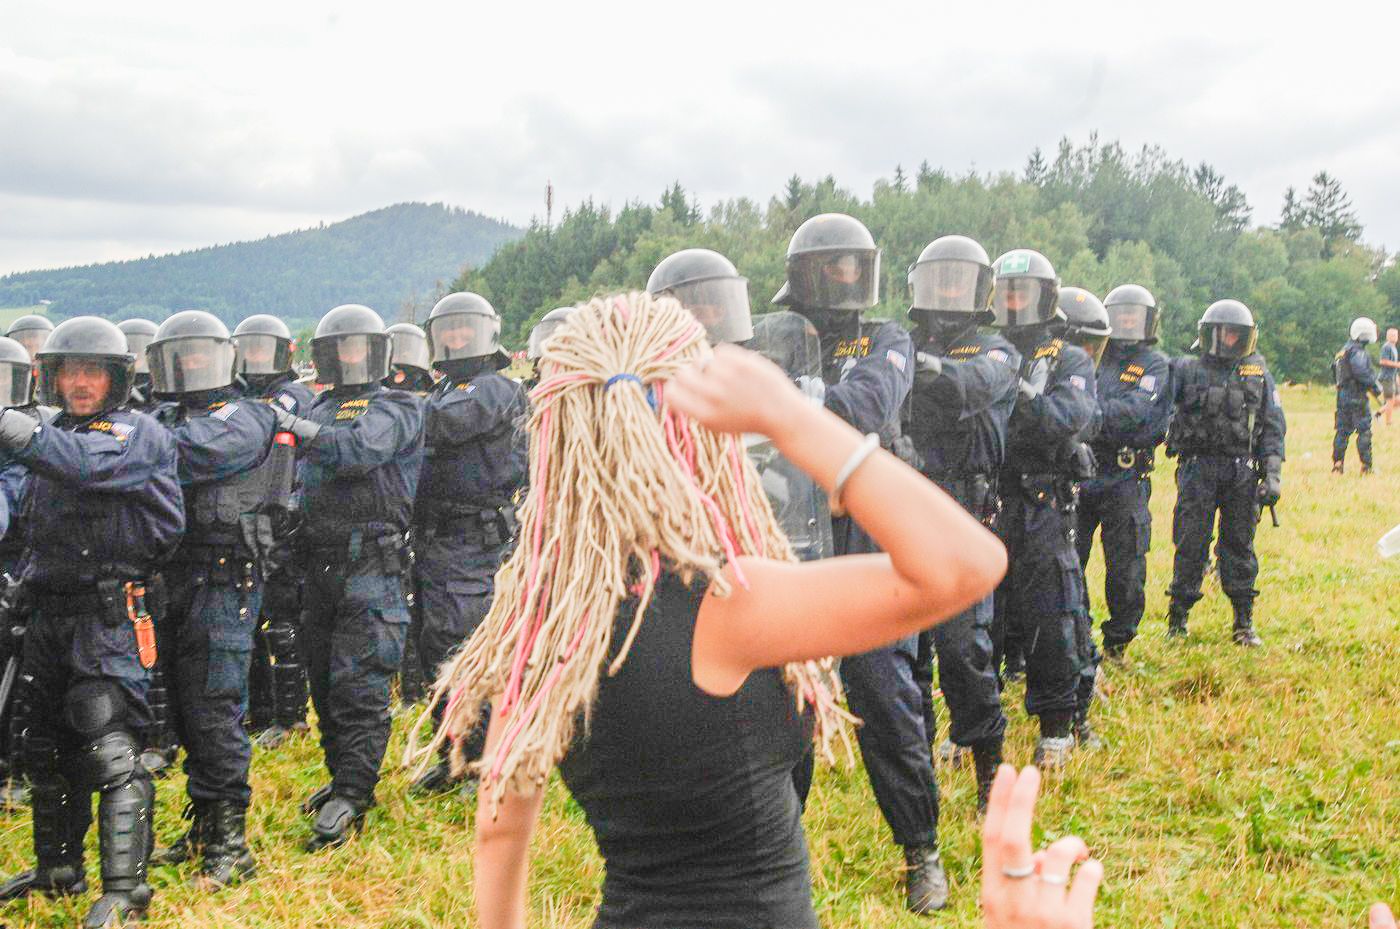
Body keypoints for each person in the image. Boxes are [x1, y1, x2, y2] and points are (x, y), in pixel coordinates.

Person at [414, 291, 1005, 929]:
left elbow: (498, 828)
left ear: (564, 439)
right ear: (700, 430)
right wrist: (791, 417)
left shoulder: (548, 622)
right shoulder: (734, 605)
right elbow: (965, 565)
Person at [771, 213, 947, 912]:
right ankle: (777, 852)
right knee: (786, 695)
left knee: (882, 689)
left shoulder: (886, 337)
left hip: (868, 529)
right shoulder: (777, 338)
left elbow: (868, 402)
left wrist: (798, 408)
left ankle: (921, 851)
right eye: (830, 265)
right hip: (797, 532)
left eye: (854, 265)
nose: (844, 278)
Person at [0, 316, 184, 927]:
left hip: (110, 614)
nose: (80, 383)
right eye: (69, 371)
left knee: (109, 746)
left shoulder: (136, 432)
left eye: (93, 371)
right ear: (51, 377)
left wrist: (9, 423)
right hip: (51, 611)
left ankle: (127, 889)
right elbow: (34, 522)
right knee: (44, 747)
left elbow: (83, 464)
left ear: (116, 377)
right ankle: (57, 869)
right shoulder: (53, 432)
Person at [264, 304, 423, 849]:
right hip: (320, 563)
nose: (350, 357)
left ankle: (354, 794)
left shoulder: (397, 406)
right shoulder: (322, 405)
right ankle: (343, 778)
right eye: (341, 348)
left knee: (361, 683)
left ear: (377, 352)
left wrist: (293, 426)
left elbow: (359, 451)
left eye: (359, 347)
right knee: (325, 681)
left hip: (372, 566)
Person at [902, 234, 1017, 813]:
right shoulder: (902, 343)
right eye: (937, 279)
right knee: (907, 653)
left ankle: (989, 766)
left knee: (964, 650)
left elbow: (969, 388)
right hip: (904, 507)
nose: (946, 292)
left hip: (965, 513)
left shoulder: (997, 352)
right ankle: (917, 765)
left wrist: (914, 367)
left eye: (958, 280)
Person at [407, 293, 526, 795]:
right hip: (437, 539)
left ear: (486, 333)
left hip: (476, 541)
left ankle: (483, 759)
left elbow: (448, 423)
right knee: (436, 646)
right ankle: (449, 748)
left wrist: (386, 412)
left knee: (471, 645)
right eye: (448, 331)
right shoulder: (439, 393)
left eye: (464, 330)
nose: (456, 338)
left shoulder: (496, 389)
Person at [989, 250, 1098, 769]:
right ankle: (976, 721)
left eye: (1022, 292)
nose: (1013, 302)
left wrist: (1021, 397)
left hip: (1042, 501)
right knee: (978, 617)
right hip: (988, 497)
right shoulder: (983, 347)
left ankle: (1058, 723)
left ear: (1044, 296)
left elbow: (1067, 417)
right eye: (1006, 292)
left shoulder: (1068, 357)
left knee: (1051, 613)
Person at [1165, 300, 1286, 646]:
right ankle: (1178, 619)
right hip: (1197, 468)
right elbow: (1160, 411)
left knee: (1239, 545)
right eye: (1224, 332)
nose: (1230, 339)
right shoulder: (1186, 370)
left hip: (1242, 473)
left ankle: (1243, 622)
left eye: (1236, 334)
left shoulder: (1257, 373)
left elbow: (1273, 427)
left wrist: (1272, 475)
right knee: (1190, 542)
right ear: (1210, 334)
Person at [232, 314, 316, 748]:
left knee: (281, 620)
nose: (255, 358)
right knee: (251, 618)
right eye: (249, 348)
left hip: (285, 516)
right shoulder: (240, 395)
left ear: (285, 354)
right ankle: (259, 713)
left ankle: (291, 716)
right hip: (250, 518)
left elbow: (267, 423)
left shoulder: (292, 393)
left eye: (263, 349)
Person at [1075, 284, 1172, 662]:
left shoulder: (1155, 364)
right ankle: (1076, 633)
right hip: (1082, 472)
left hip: (1125, 476)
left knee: (1126, 566)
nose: (1127, 321)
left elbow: (1139, 414)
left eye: (1135, 315)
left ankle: (1118, 641)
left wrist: (1092, 412)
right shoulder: (1093, 354)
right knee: (1069, 560)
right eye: (1121, 314)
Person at [646, 248, 755, 344]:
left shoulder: (746, 357)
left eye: (716, 301)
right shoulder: (659, 364)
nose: (718, 310)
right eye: (695, 302)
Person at [1332, 317, 1381, 474]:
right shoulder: (1358, 352)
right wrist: (1376, 389)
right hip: (1357, 396)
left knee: (1342, 431)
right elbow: (1362, 373)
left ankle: (1338, 464)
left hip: (1342, 396)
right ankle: (1366, 466)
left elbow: (1334, 371)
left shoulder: (1342, 351)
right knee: (1364, 430)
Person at [117, 319, 159, 411]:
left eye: (139, 352)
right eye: (130, 354)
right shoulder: (112, 392)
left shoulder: (160, 393)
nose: (135, 358)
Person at [384, 323, 436, 393]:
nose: (402, 356)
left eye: (405, 353)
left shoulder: (423, 379)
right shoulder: (382, 377)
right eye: (397, 353)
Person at [1380, 328, 1399, 426]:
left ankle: (1378, 414)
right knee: (1390, 400)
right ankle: (1388, 422)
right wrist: (1397, 364)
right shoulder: (1386, 347)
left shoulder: (1394, 348)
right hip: (1386, 377)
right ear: (1387, 337)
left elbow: (1395, 366)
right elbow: (1383, 361)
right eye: (1392, 335)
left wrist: (1397, 378)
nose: (1394, 337)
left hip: (1393, 377)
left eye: (1395, 335)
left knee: (1398, 399)